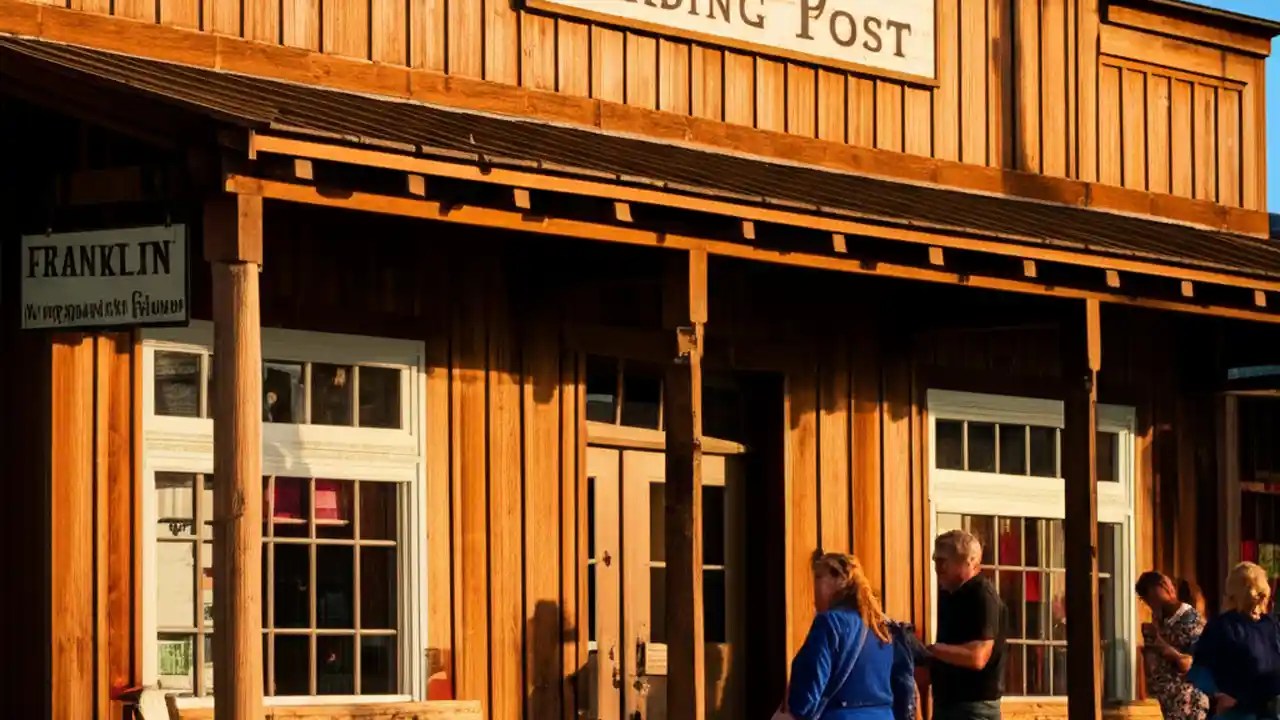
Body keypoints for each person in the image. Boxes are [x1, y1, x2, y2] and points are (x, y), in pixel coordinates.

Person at [775, 552, 917, 720]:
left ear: (838, 580)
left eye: (819, 577)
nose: (813, 587)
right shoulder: (882, 627)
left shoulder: (829, 623)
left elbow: (809, 689)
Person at [928, 529, 1007, 720]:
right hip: (947, 705)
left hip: (974, 709)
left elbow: (977, 657)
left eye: (943, 561)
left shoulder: (982, 595)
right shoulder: (949, 593)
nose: (938, 568)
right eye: (935, 561)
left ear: (968, 562)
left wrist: (931, 650)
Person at [1190, 562, 1280, 720]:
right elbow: (1200, 671)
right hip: (1238, 713)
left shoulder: (1271, 625)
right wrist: (1219, 695)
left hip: (1267, 711)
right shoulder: (1223, 627)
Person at [1135, 571, 1208, 720]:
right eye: (1146, 599)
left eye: (1150, 596)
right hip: (1167, 707)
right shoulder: (1162, 621)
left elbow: (1193, 663)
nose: (1150, 603)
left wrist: (1166, 649)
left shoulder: (1190, 620)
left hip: (1188, 708)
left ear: (1164, 587)